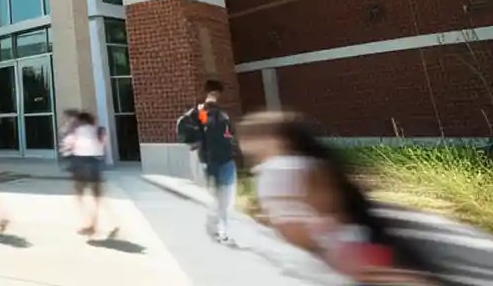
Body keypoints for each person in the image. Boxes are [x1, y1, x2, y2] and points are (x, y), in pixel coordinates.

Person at [238, 112, 438, 285]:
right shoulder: (302, 165)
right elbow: (328, 208)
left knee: (396, 276)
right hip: (343, 247)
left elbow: (300, 220)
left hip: (336, 253)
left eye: (247, 137)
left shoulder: (279, 170)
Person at [177, 79, 238, 245]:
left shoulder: (223, 114)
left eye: (217, 94)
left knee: (225, 199)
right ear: (207, 94)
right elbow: (193, 126)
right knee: (218, 198)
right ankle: (216, 229)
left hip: (226, 159)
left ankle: (222, 231)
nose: (216, 97)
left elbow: (228, 132)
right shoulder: (202, 112)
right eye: (213, 94)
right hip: (211, 161)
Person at [62, 111, 110, 237]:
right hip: (96, 163)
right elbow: (103, 144)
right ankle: (94, 223)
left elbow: (67, 147)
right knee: (96, 196)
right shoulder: (99, 130)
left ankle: (87, 223)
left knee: (79, 194)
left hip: (80, 163)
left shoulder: (75, 131)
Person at [58, 108, 81, 173]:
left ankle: (74, 166)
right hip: (70, 139)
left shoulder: (72, 120)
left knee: (71, 153)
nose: (64, 116)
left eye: (65, 114)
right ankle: (73, 166)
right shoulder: (72, 120)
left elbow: (70, 129)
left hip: (71, 139)